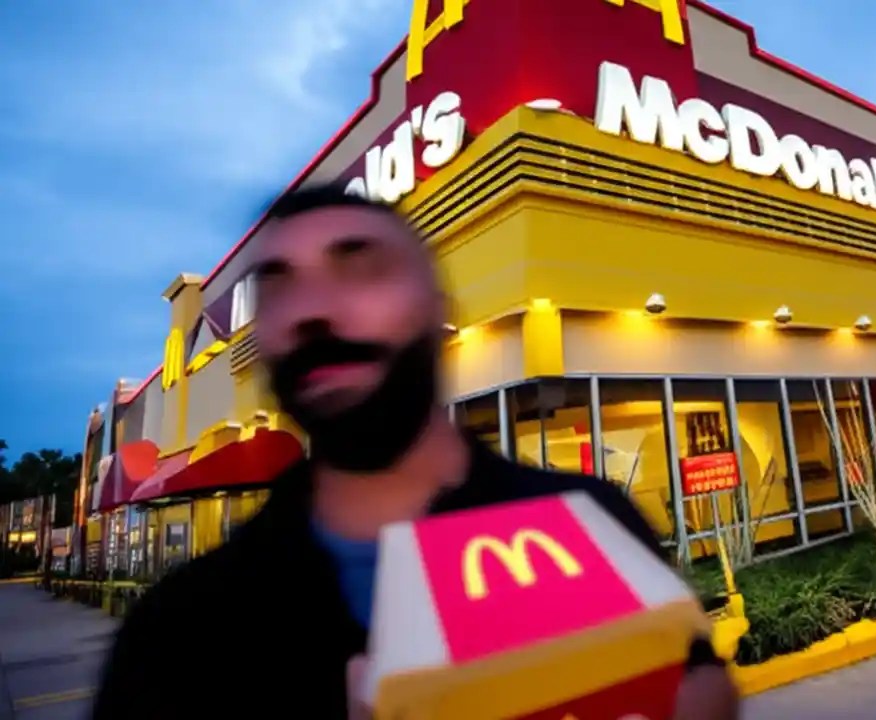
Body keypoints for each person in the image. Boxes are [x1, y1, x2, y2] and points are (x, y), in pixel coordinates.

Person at [92, 185, 740, 719]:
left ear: (436, 308)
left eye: (360, 266)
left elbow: (693, 681)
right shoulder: (181, 630)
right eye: (281, 286)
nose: (315, 308)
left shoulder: (589, 522)